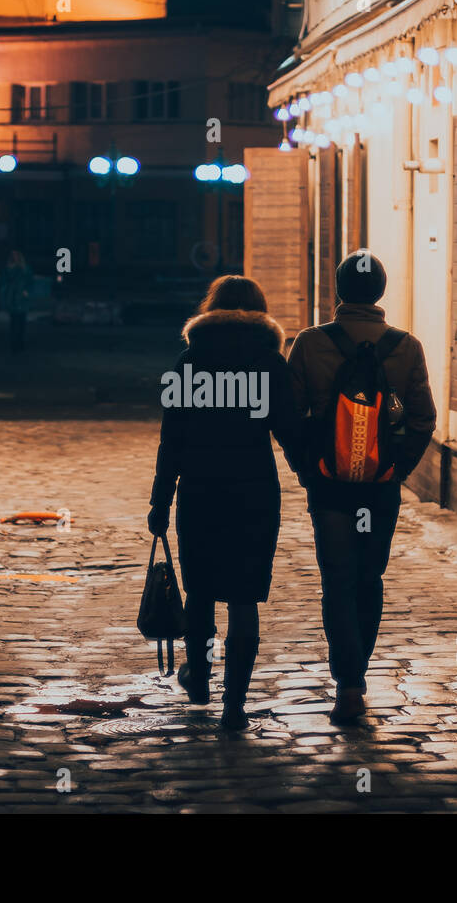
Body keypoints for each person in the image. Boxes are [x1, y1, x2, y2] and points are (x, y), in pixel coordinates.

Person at [287, 250, 436, 724]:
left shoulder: (310, 344)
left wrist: (307, 468)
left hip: (329, 488)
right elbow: (423, 419)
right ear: (381, 292)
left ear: (338, 290)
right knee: (369, 580)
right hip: (380, 489)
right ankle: (358, 676)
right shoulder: (406, 346)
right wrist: (396, 470)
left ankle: (347, 684)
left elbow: (288, 419)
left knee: (337, 580)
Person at [148, 275, 303, 730]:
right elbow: (290, 432)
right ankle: (234, 706)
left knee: (200, 593)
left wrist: (160, 501)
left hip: (200, 492)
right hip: (253, 491)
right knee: (243, 597)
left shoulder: (187, 363)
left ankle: (198, 681)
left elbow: (171, 441)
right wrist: (317, 478)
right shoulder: (270, 364)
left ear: (210, 311)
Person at [0, 249, 33, 354]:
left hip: (22, 297)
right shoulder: (8, 268)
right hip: (13, 297)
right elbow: (4, 281)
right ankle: (14, 344)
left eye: (16, 255)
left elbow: (30, 281)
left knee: (21, 322)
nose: (14, 257)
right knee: (14, 322)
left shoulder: (25, 268)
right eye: (13, 255)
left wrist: (27, 291)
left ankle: (20, 343)